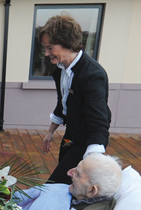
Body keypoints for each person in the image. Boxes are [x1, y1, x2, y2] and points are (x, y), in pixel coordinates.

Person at [40, 14, 112, 184]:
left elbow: (100, 121)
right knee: (66, 187)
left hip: (86, 143)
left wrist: (92, 159)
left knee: (54, 186)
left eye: (50, 48)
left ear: (68, 43)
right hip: (69, 138)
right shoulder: (60, 70)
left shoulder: (92, 75)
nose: (46, 53)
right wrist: (50, 132)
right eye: (45, 48)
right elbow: (63, 103)